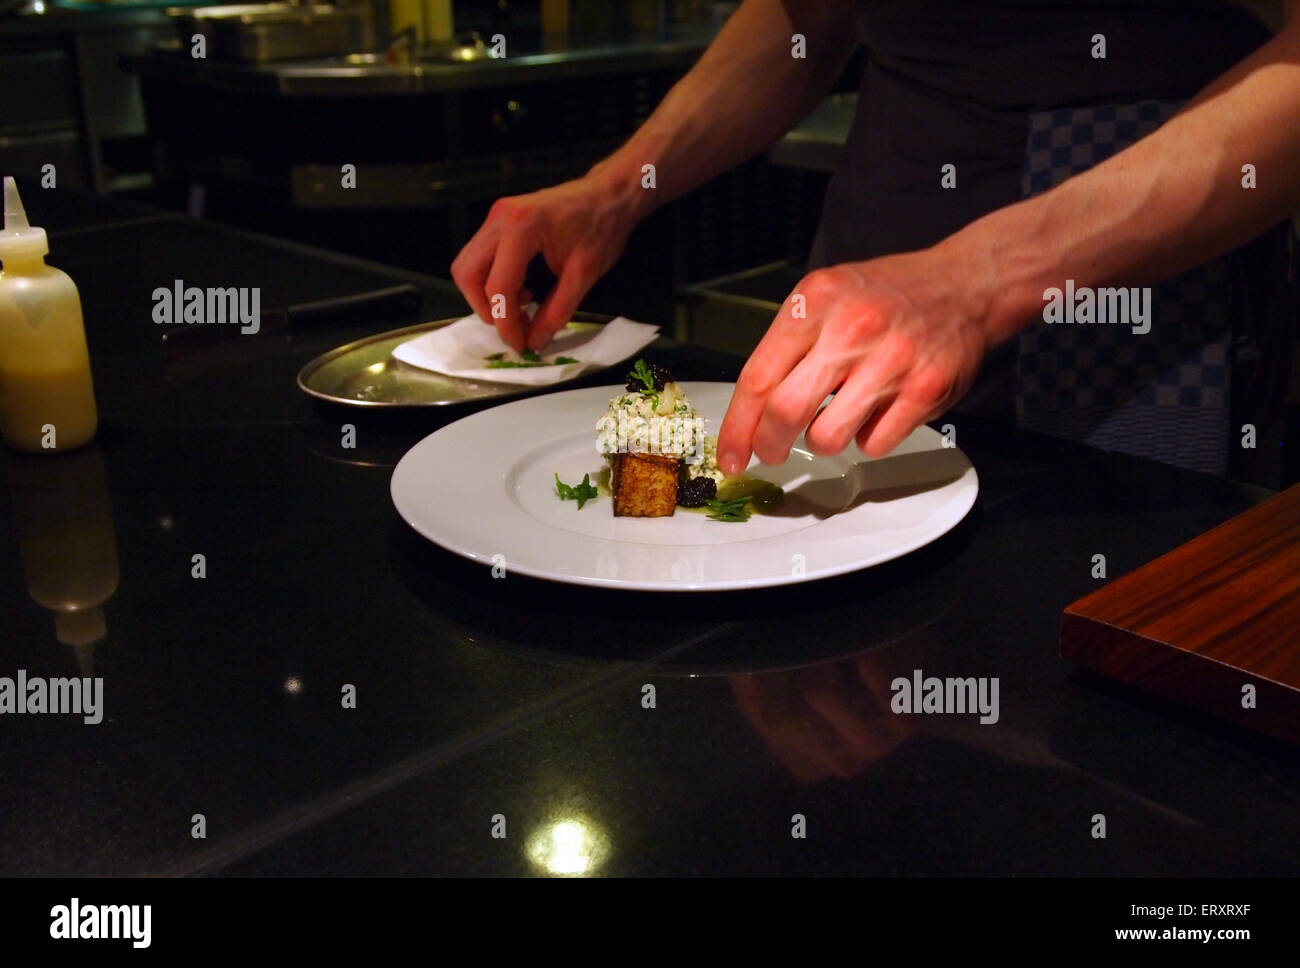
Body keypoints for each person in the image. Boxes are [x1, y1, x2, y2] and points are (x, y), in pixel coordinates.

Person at [452, 0, 1299, 480]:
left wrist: (975, 279)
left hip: (1127, 291)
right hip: (879, 248)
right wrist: (614, 189)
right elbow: (810, 19)